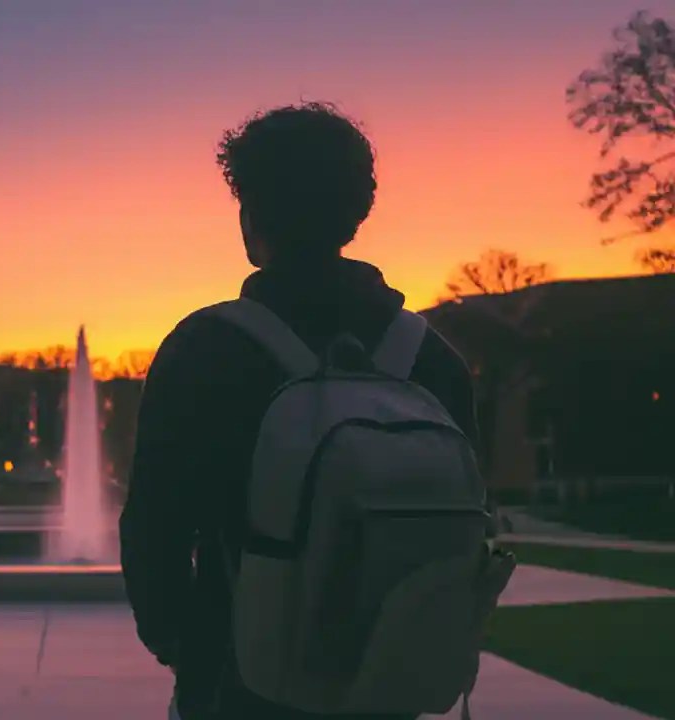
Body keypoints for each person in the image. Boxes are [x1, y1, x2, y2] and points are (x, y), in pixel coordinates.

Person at [119, 103, 482, 720]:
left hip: (240, 685)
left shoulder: (206, 349)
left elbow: (155, 528)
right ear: (356, 213)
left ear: (250, 215)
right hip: (388, 686)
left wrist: (184, 648)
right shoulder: (433, 360)